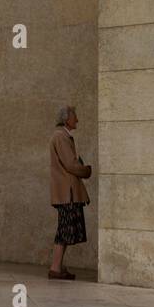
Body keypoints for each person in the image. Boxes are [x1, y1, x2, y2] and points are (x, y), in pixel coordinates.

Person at [48, 104, 91, 279]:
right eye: (75, 116)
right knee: (64, 230)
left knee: (65, 229)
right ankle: (55, 267)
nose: (77, 119)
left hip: (67, 192)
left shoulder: (62, 136)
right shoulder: (61, 137)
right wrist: (86, 170)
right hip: (67, 193)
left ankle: (58, 266)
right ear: (67, 119)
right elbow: (71, 164)